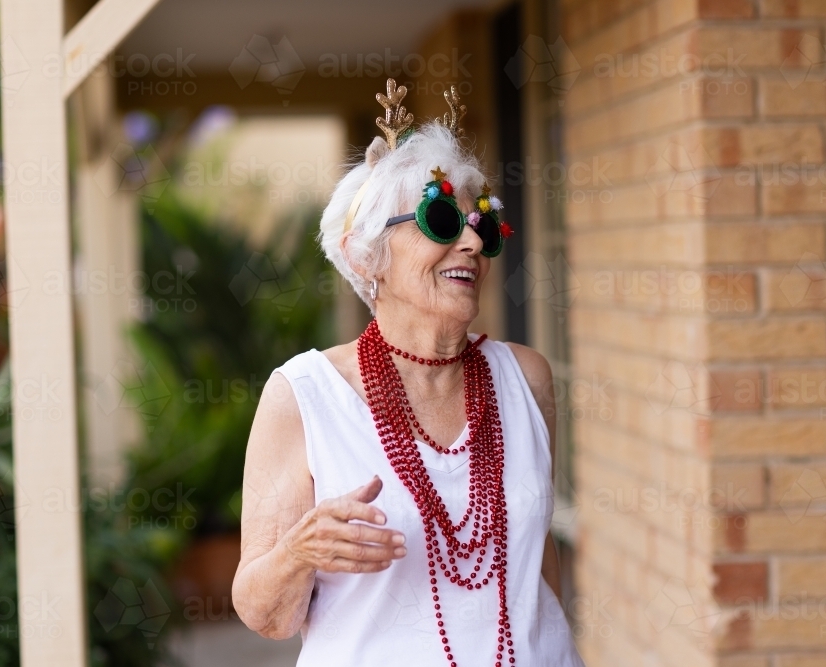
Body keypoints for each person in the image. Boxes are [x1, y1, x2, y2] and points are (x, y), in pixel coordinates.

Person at [232, 79, 585, 667]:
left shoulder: (527, 377)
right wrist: (299, 553)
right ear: (366, 255)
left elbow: (536, 562)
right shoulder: (304, 396)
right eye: (442, 218)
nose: (472, 240)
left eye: (483, 223)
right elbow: (265, 614)